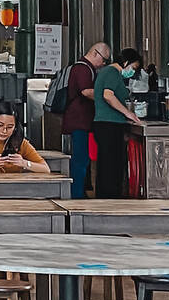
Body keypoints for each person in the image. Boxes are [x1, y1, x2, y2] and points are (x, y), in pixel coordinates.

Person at [91, 46, 144, 199]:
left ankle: (105, 199)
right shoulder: (112, 72)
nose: (132, 72)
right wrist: (128, 113)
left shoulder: (108, 73)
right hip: (109, 125)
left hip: (106, 125)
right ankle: (110, 200)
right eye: (133, 67)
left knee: (107, 165)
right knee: (111, 167)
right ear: (126, 62)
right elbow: (108, 95)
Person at [62, 42, 110, 199]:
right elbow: (86, 91)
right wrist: (107, 97)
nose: (103, 64)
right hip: (79, 122)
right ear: (96, 53)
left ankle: (79, 191)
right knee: (80, 160)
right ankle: (76, 195)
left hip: (82, 121)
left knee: (82, 159)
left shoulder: (85, 68)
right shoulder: (82, 68)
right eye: (104, 60)